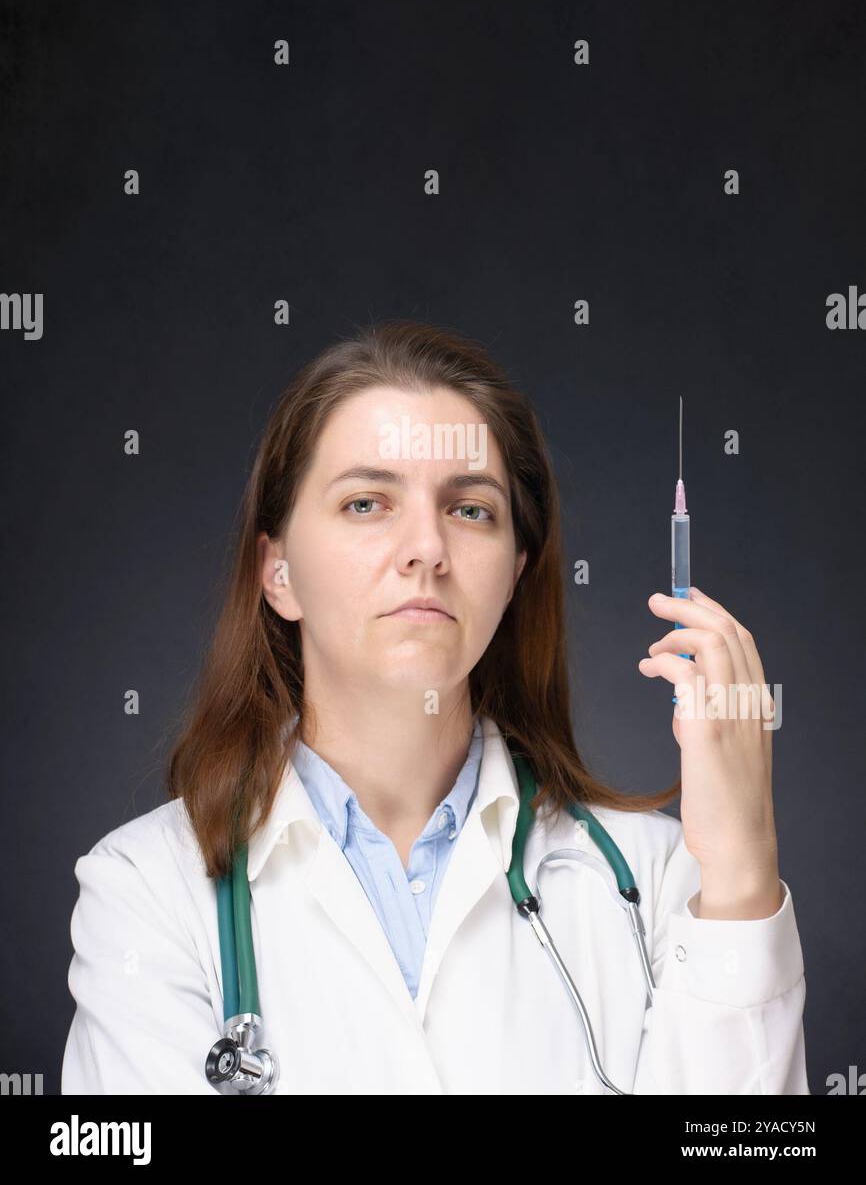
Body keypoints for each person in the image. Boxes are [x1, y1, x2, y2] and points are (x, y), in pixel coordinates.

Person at [61, 318, 809, 1094]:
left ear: (515, 573)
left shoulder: (660, 881)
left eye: (471, 509)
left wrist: (743, 870)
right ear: (277, 572)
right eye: (366, 503)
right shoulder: (146, 888)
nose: (427, 548)